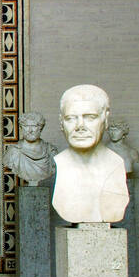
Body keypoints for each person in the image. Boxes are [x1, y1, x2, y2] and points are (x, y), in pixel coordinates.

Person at [52, 84, 128, 223]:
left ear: (105, 119)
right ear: (61, 122)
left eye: (90, 117)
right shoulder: (58, 163)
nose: (80, 126)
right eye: (71, 118)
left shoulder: (116, 164)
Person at [3, 111, 56, 184]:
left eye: (34, 126)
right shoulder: (13, 152)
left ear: (40, 128)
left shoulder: (50, 151)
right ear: (21, 127)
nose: (30, 130)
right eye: (26, 126)